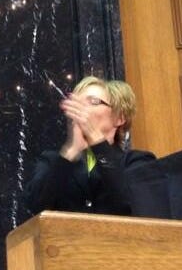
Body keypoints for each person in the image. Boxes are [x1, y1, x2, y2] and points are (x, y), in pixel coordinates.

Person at [23, 75, 155, 215]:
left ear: (119, 118)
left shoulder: (137, 161)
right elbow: (35, 207)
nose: (82, 109)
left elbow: (137, 206)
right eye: (77, 103)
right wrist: (71, 151)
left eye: (93, 101)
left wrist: (97, 140)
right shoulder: (53, 161)